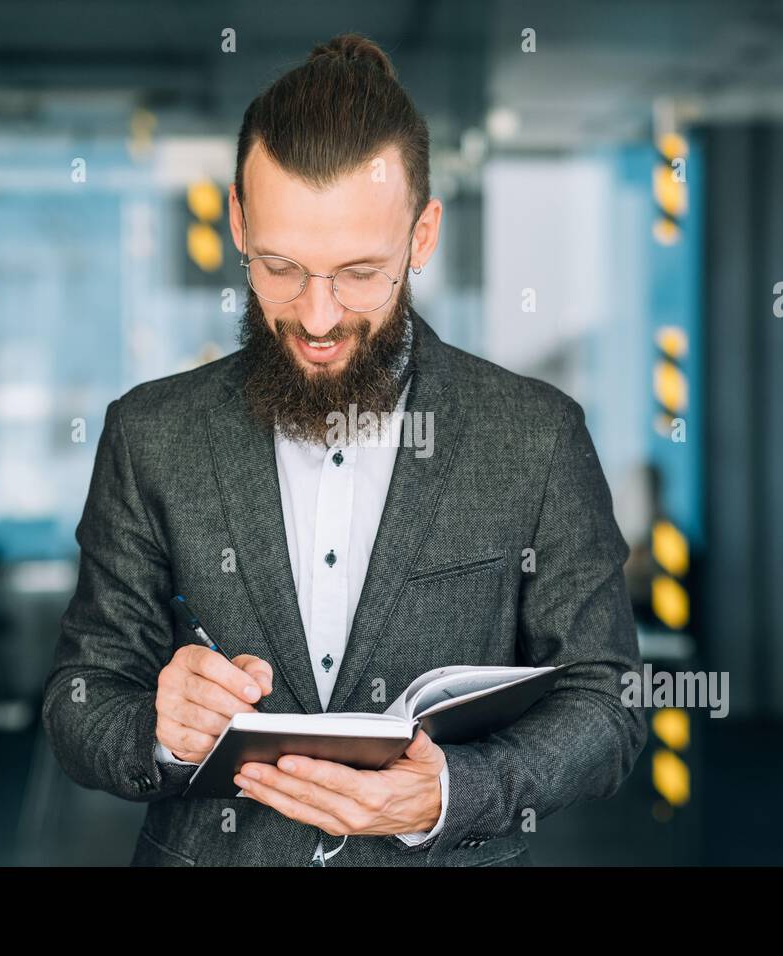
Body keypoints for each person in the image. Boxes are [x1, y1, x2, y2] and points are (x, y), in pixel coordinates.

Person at [43, 32, 646, 867]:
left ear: (423, 237)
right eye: (281, 267)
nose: (318, 318)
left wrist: (450, 791)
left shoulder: (535, 436)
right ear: (237, 223)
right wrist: (158, 726)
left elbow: (606, 703)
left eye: (361, 273)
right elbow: (80, 699)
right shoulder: (151, 433)